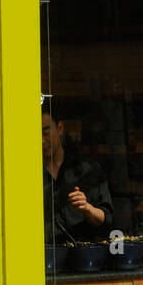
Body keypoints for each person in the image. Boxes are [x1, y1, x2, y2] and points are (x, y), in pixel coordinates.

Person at [43, 103, 114, 244]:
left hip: (82, 258)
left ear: (60, 128)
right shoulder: (24, 175)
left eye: (45, 133)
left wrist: (87, 208)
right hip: (39, 258)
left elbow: (106, 219)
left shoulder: (88, 169)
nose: (41, 141)